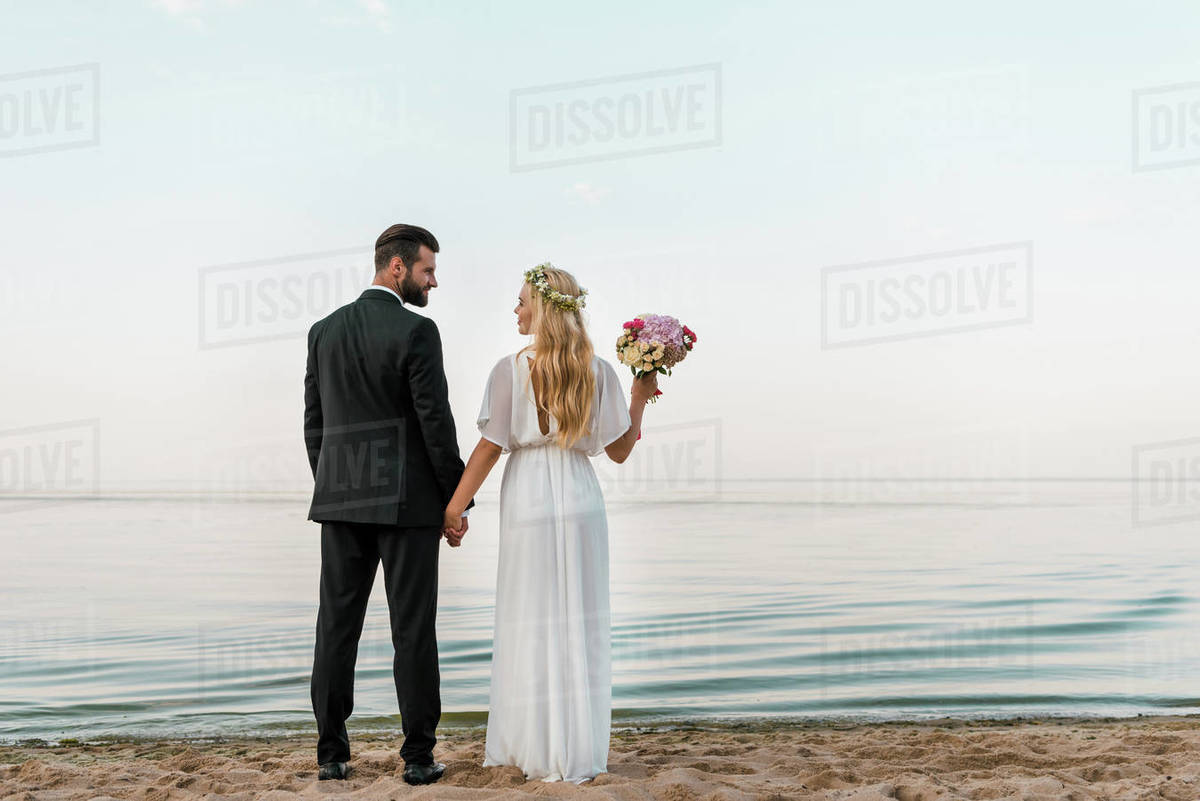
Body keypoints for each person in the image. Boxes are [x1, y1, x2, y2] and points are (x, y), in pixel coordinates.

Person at [441, 263, 658, 783]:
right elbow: (621, 451)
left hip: (530, 494)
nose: (515, 309)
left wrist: (454, 507)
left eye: (520, 301)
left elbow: (490, 448)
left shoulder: (508, 368)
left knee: (529, 615)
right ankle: (573, 746)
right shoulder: (599, 369)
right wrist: (638, 397)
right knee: (577, 619)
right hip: (580, 492)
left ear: (541, 307)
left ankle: (530, 743)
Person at [304, 223, 472, 785]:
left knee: (336, 627)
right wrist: (456, 500)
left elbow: (315, 426)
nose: (433, 282)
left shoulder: (322, 331)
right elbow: (434, 422)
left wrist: (333, 484)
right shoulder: (418, 331)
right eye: (427, 270)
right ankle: (419, 759)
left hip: (342, 501)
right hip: (409, 506)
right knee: (413, 630)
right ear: (396, 268)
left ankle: (331, 754)